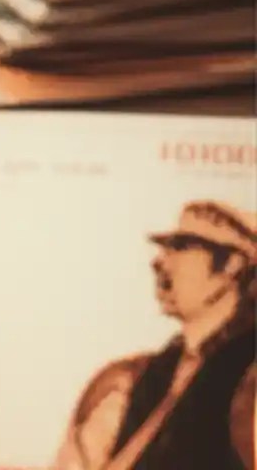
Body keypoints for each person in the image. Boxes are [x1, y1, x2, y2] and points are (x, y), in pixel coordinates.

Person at [52, 200, 256, 470]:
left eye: (182, 247)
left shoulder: (249, 375)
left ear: (232, 265)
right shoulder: (137, 378)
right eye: (165, 248)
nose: (158, 262)